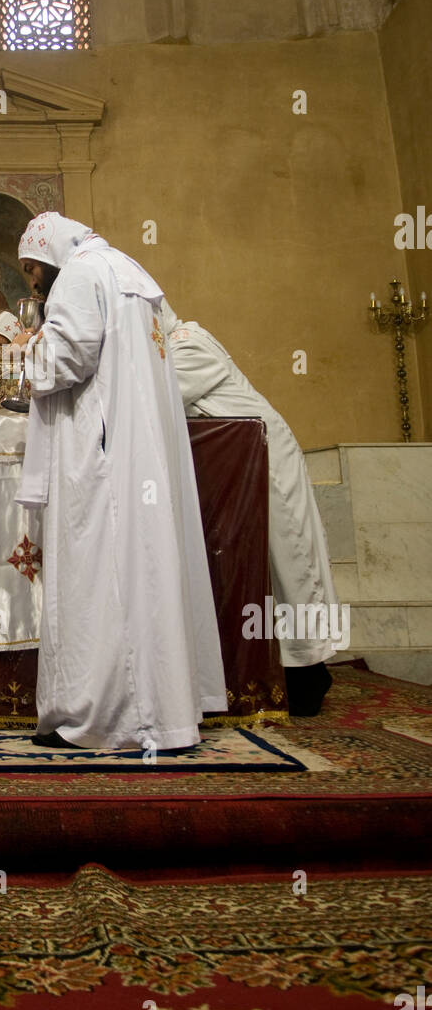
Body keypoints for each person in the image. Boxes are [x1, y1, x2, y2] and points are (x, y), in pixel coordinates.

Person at [12, 212, 226, 751]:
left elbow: (64, 359)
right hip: (142, 454)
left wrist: (25, 350)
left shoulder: (81, 275)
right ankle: (165, 711)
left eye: (33, 271)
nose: (33, 283)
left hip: (100, 459)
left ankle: (98, 717)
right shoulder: (130, 270)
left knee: (99, 578)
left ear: (48, 256)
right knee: (144, 574)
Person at [160, 300, 338, 716]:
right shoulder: (170, 345)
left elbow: (159, 395)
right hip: (240, 466)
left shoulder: (189, 344)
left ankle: (310, 673)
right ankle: (280, 669)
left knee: (292, 567)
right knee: (266, 573)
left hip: (268, 462)